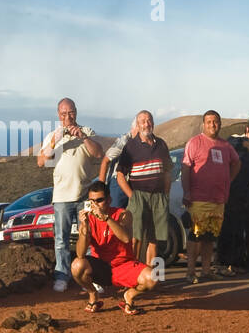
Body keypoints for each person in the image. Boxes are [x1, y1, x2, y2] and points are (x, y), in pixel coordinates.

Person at [38, 97, 102, 292]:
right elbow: (41, 161)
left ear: (76, 112)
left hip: (84, 195)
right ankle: (62, 277)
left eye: (71, 112)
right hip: (61, 198)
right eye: (64, 114)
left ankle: (91, 277)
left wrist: (83, 137)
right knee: (61, 239)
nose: (68, 117)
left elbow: (99, 153)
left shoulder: (87, 132)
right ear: (59, 115)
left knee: (90, 236)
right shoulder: (52, 135)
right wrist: (55, 140)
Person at [71, 180, 159, 314]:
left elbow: (125, 238)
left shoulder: (123, 214)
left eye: (99, 200)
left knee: (153, 277)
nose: (95, 205)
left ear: (109, 199)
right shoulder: (88, 219)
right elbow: (80, 254)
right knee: (77, 265)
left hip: (123, 265)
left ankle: (129, 295)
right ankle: (93, 294)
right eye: (91, 201)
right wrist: (84, 227)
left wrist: (106, 218)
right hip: (101, 267)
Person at [180, 110, 240, 283]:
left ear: (220, 124)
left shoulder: (225, 145)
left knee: (210, 237)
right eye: (209, 122)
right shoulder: (194, 142)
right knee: (196, 235)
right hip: (198, 198)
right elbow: (185, 168)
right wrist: (186, 191)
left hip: (219, 199)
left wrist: (228, 179)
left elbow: (237, 163)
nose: (213, 125)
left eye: (215, 121)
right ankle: (191, 272)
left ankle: (206, 270)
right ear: (203, 124)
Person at [115, 110, 174, 267]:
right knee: (136, 237)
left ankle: (151, 275)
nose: (147, 124)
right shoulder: (130, 147)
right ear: (138, 125)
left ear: (153, 123)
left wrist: (166, 195)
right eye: (143, 121)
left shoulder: (161, 144)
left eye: (149, 121)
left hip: (159, 197)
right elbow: (120, 175)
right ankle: (133, 275)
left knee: (155, 239)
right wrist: (132, 197)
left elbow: (168, 171)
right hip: (139, 197)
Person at [217, 116, 249, 274]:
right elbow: (230, 144)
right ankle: (225, 262)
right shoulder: (235, 141)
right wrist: (247, 144)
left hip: (247, 191)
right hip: (232, 191)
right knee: (232, 228)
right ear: (247, 131)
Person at [99, 115, 140, 184]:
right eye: (140, 127)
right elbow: (105, 160)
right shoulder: (124, 141)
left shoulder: (147, 142)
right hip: (117, 181)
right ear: (133, 128)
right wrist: (101, 188)